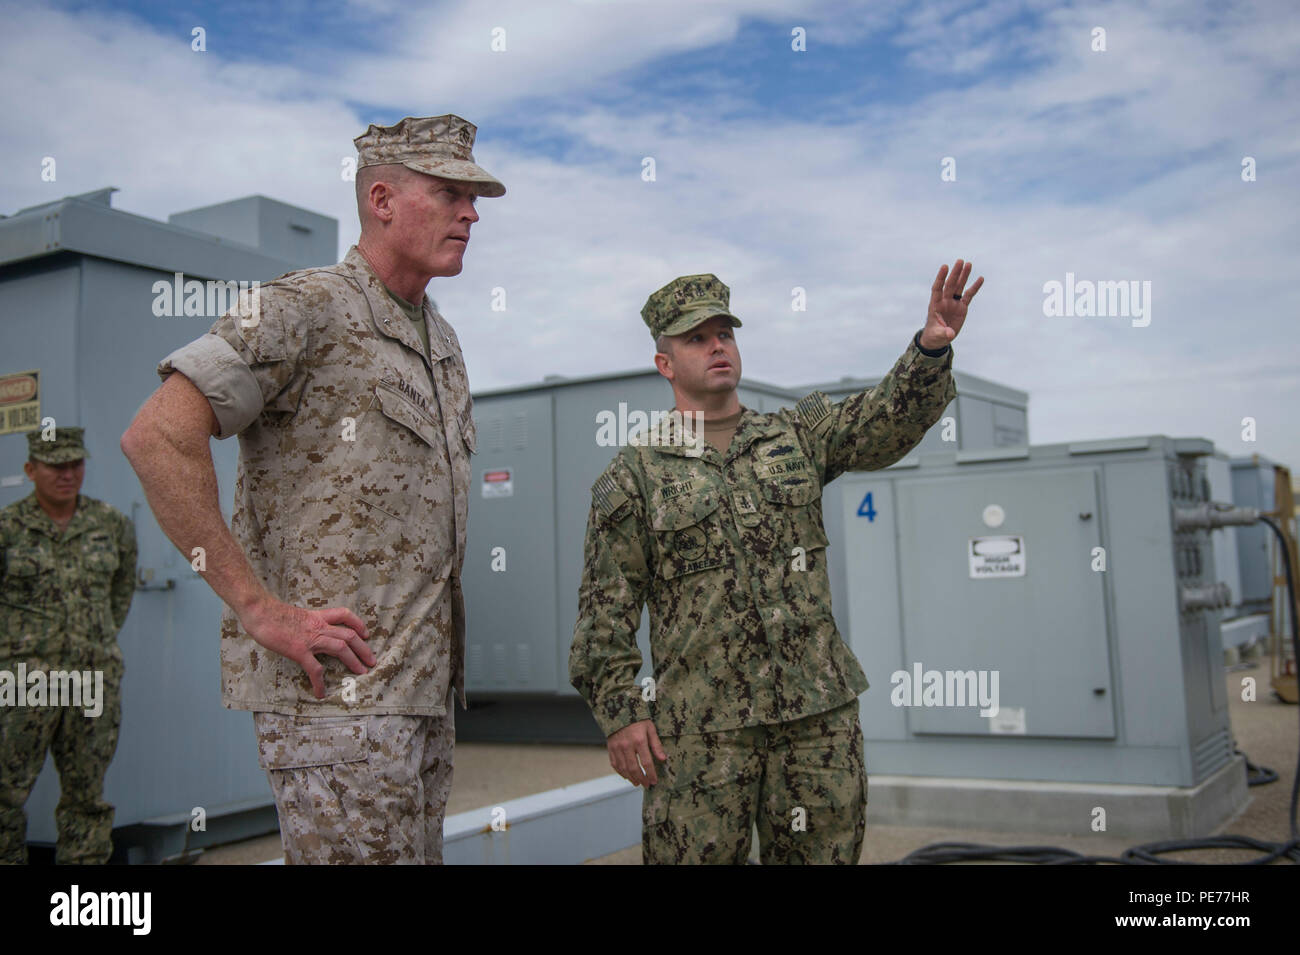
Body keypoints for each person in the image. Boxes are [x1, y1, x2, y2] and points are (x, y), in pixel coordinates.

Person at [121, 114, 505, 864]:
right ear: (383, 200)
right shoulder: (303, 308)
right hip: (337, 713)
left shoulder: (443, 341)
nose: (471, 211)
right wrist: (258, 607)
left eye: (475, 195)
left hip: (421, 703)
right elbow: (157, 436)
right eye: (450, 191)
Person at [569, 262, 982, 864]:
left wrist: (929, 348)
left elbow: (883, 421)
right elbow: (603, 615)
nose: (717, 346)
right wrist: (621, 716)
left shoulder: (795, 437)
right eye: (696, 337)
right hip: (703, 734)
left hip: (816, 720)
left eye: (724, 333)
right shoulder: (635, 476)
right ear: (665, 364)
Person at [0, 427, 136, 864]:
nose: (67, 473)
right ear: (30, 469)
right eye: (56, 465)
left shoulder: (111, 524)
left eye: (75, 463)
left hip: (91, 677)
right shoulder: (7, 529)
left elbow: (121, 592)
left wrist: (93, 641)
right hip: (23, 683)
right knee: (4, 796)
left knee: (87, 799)